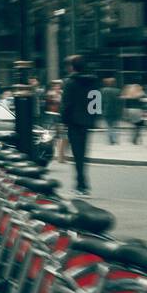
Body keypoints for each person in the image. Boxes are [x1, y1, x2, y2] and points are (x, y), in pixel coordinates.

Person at [61, 55, 100, 195]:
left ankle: (81, 186)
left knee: (77, 155)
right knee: (83, 154)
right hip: (86, 122)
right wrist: (92, 119)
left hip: (74, 122)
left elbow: (67, 104)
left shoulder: (70, 82)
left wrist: (64, 121)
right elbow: (95, 102)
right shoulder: (93, 81)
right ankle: (81, 185)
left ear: (72, 67)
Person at [100, 77, 122, 145]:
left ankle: (111, 140)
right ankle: (115, 139)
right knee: (116, 126)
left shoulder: (103, 90)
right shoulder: (118, 91)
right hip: (116, 110)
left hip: (107, 110)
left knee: (109, 126)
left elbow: (101, 101)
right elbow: (120, 102)